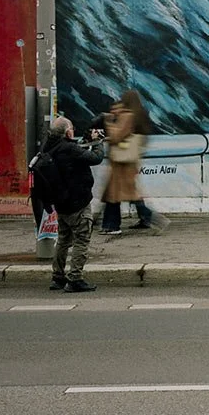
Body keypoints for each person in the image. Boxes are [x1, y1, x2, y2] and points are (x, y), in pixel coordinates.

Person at [36, 117, 105, 292]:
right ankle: (75, 278)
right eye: (72, 128)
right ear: (67, 132)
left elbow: (74, 152)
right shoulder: (69, 148)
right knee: (82, 239)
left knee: (63, 240)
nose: (73, 131)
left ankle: (57, 277)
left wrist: (85, 141)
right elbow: (95, 158)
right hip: (78, 203)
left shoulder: (48, 146)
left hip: (61, 203)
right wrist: (98, 141)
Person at [100, 91, 168, 234]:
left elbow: (117, 136)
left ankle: (152, 219)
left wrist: (108, 123)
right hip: (127, 161)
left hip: (122, 163)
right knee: (121, 195)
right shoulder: (139, 115)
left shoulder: (127, 116)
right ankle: (111, 224)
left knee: (120, 195)